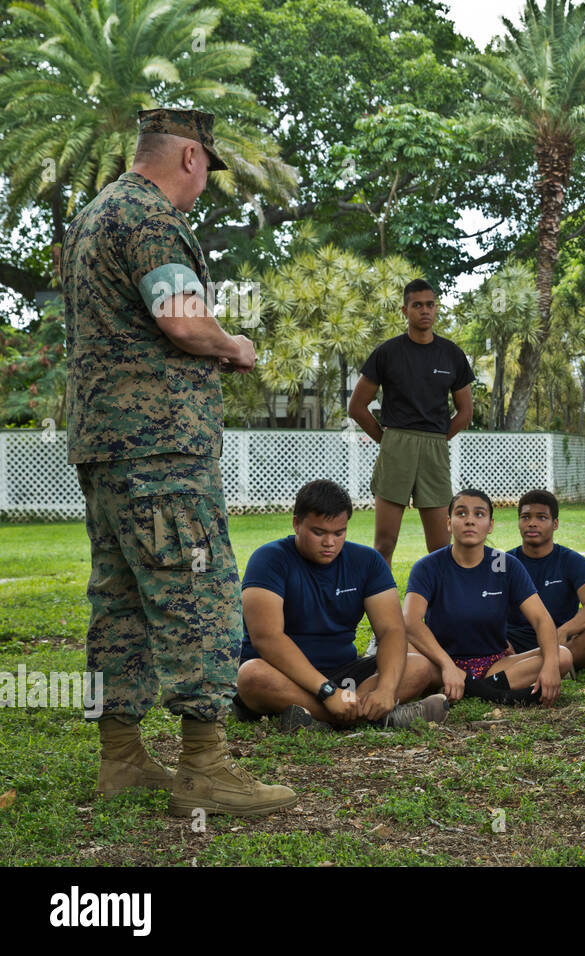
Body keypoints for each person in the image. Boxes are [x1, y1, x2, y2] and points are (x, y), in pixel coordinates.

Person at [64, 107, 294, 817]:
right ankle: (206, 766)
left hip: (104, 449)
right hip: (160, 450)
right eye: (206, 173)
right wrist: (235, 347)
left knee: (121, 600)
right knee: (197, 596)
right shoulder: (152, 219)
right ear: (189, 157)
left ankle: (122, 757)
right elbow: (182, 319)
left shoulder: (91, 217)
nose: (202, 190)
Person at [235, 480, 446, 732]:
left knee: (419, 666)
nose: (330, 543)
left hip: (344, 672)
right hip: (282, 672)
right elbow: (267, 638)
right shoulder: (268, 559)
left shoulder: (367, 561)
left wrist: (386, 689)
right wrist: (326, 692)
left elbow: (391, 630)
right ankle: (377, 718)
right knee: (251, 676)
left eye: (339, 533)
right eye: (319, 532)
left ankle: (318, 718)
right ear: (296, 523)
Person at [403, 489, 570, 706]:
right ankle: (493, 694)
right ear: (448, 522)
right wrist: (447, 665)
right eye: (461, 514)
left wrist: (549, 666)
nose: (470, 521)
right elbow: (410, 621)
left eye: (479, 514)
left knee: (562, 656)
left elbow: (541, 619)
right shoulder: (428, 566)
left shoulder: (505, 564)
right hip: (439, 663)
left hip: (493, 664)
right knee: (408, 653)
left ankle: (470, 689)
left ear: (490, 525)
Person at [348, 280, 473, 566]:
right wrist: (387, 440)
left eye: (430, 304)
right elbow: (357, 407)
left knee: (441, 546)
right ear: (405, 310)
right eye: (417, 305)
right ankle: (382, 608)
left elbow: (465, 413)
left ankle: (442, 610)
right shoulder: (387, 352)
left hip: (434, 449)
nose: (424, 310)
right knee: (384, 543)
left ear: (437, 308)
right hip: (396, 445)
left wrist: (439, 438)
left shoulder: (452, 354)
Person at [505, 489, 585, 669]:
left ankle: (531, 666)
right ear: (518, 522)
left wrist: (564, 631)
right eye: (525, 517)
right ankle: (550, 665)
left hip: (560, 641)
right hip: (514, 642)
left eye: (541, 518)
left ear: (555, 523)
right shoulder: (503, 562)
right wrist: (499, 639)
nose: (532, 523)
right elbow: (484, 606)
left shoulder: (572, 560)